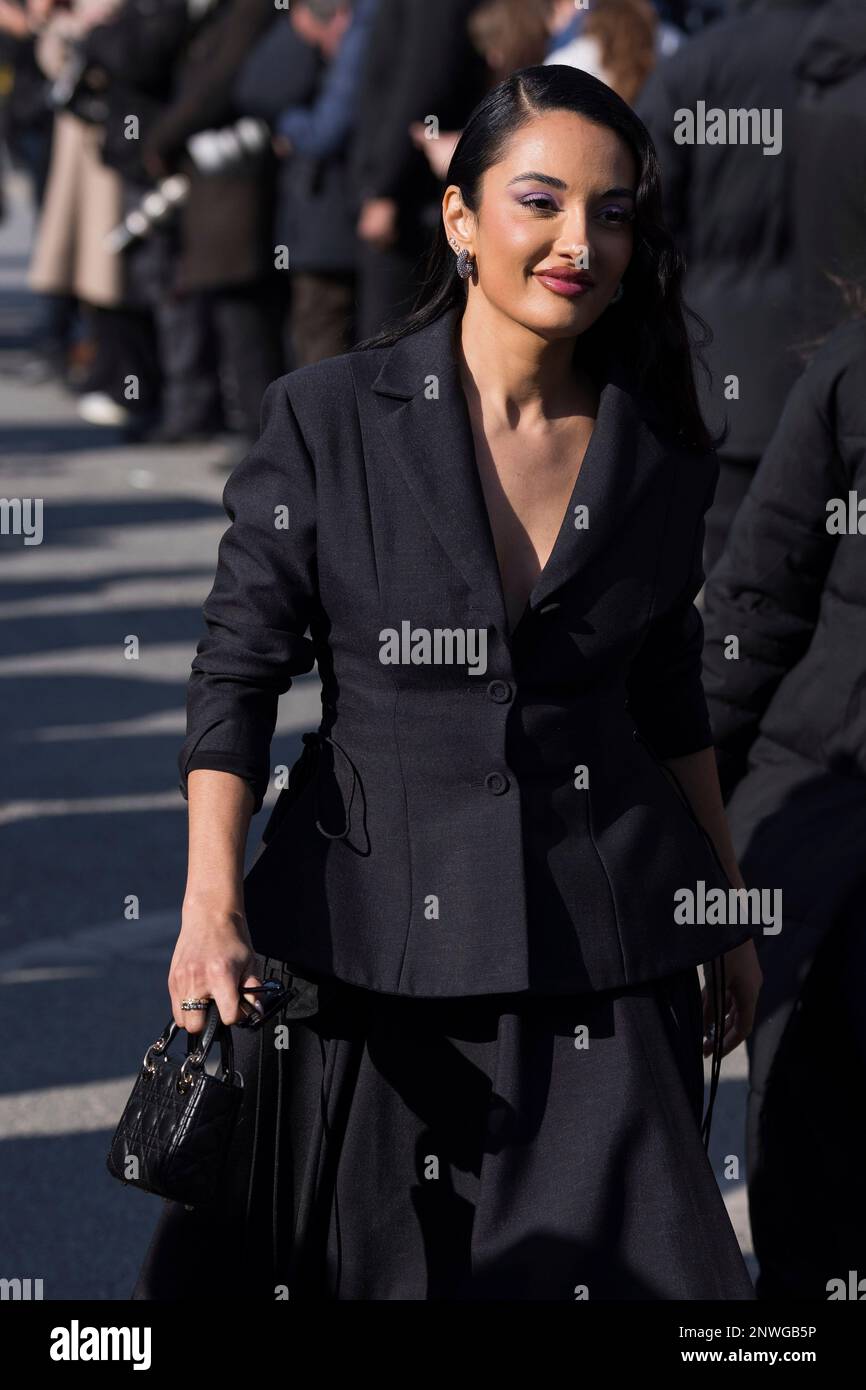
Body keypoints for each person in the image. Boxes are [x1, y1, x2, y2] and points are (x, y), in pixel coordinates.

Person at [132, 65, 761, 1301]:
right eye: (540, 201)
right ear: (461, 218)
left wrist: (722, 894)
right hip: (365, 951)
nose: (579, 240)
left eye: (613, 210)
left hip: (598, 951)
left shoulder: (661, 442)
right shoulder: (325, 417)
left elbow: (664, 682)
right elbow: (238, 669)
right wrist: (211, 903)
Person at [702, 306, 866, 1299]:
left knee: (814, 1220)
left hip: (812, 838)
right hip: (823, 841)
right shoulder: (851, 371)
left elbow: (751, 604)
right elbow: (751, 607)